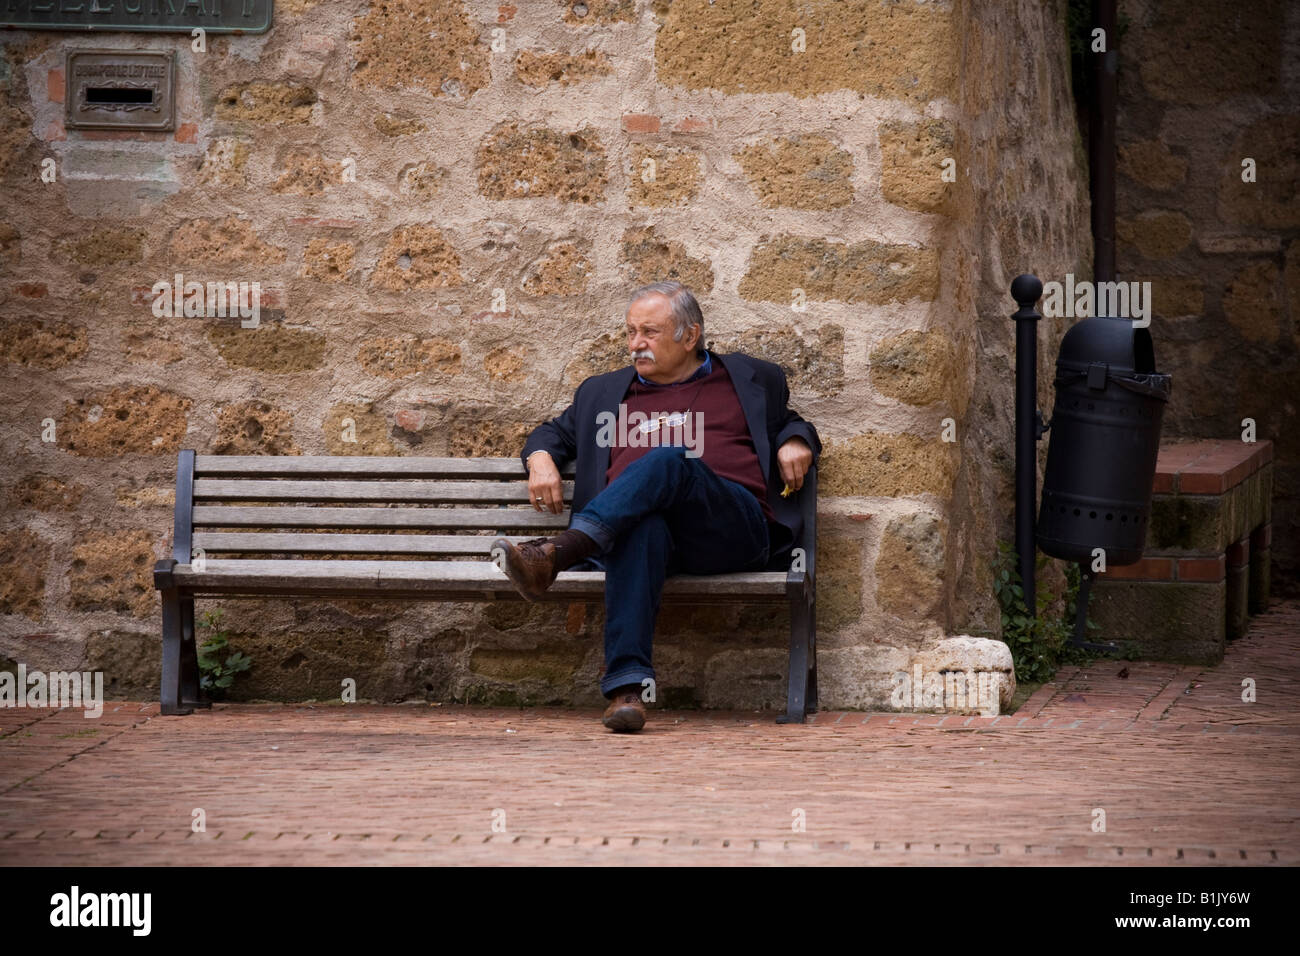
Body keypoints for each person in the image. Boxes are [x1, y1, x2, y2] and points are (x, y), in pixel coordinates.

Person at [493, 280, 820, 732]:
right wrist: (541, 459)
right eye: (630, 332)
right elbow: (551, 433)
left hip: (730, 528)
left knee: (669, 458)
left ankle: (558, 553)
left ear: (690, 336)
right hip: (657, 540)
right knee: (638, 526)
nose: (635, 344)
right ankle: (626, 692)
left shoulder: (749, 378)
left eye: (650, 332)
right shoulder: (603, 394)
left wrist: (796, 440)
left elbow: (789, 421)